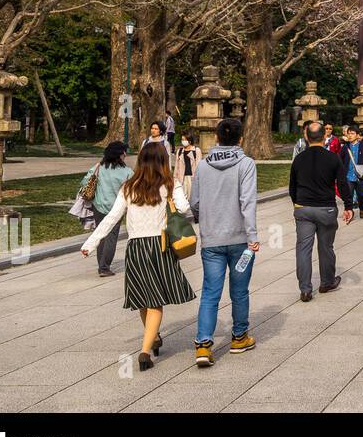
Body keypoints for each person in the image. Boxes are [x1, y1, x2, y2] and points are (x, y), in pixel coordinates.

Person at [80, 141, 194, 371]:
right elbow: (183, 208)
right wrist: (173, 194)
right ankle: (144, 351)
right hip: (159, 246)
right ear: (164, 161)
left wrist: (90, 244)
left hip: (136, 248)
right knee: (156, 301)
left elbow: (112, 218)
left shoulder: (129, 187)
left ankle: (153, 337)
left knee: (143, 298)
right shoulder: (170, 184)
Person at [190, 117, 259, 367]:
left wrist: (207, 219)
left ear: (216, 138)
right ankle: (239, 337)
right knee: (239, 291)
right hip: (240, 239)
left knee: (210, 292)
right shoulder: (246, 164)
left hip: (211, 241)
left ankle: (203, 344)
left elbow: (194, 202)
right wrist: (252, 236)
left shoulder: (203, 166)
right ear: (240, 139)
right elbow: (247, 202)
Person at [289, 120, 350, 302]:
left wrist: (297, 204)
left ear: (306, 136)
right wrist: (348, 205)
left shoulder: (299, 159)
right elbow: (342, 183)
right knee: (326, 247)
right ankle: (326, 282)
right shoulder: (333, 158)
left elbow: (292, 187)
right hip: (326, 208)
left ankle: (305, 289)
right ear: (325, 136)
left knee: (303, 249)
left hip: (303, 208)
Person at [79, 141, 132, 277]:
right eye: (124, 152)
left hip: (99, 206)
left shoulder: (99, 167)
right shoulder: (127, 172)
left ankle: (101, 265)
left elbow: (85, 182)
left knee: (101, 233)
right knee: (111, 237)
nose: (125, 154)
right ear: (120, 154)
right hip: (116, 209)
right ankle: (104, 267)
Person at [342, 126, 363, 217]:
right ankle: (349, 210)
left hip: (360, 175)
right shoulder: (346, 146)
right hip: (349, 175)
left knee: (361, 194)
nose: (350, 135)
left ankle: (362, 208)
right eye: (349, 133)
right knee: (349, 194)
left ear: (357, 135)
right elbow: (340, 158)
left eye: (352, 133)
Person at [172, 133, 202, 203]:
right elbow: (177, 166)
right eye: (182, 139)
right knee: (182, 201)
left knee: (193, 200)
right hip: (181, 178)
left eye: (185, 139)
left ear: (190, 141)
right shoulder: (179, 151)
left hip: (192, 178)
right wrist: (175, 179)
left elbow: (199, 166)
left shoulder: (196, 151)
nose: (183, 141)